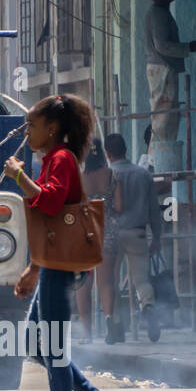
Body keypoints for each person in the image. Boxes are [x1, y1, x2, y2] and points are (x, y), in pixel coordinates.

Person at [4, 94, 120, 391]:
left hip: (58, 270)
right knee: (37, 347)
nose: (27, 132)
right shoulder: (53, 158)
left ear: (51, 129)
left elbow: (50, 203)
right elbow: (50, 224)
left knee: (51, 350)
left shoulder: (61, 158)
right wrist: (32, 268)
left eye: (32, 126)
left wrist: (18, 175)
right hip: (50, 266)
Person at [98, 133, 164, 343]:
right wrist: (157, 237)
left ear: (108, 153)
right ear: (125, 149)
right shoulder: (142, 174)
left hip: (112, 236)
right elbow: (154, 209)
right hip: (137, 233)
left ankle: (115, 325)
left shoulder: (106, 176)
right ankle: (149, 306)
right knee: (141, 280)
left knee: (112, 281)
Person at [145, 0, 196, 144]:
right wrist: (188, 47)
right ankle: (159, 158)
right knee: (163, 118)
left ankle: (164, 156)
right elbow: (161, 45)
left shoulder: (161, 12)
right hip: (163, 68)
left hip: (163, 67)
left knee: (169, 116)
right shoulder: (158, 14)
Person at [75, 138, 112, 344]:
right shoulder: (110, 175)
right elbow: (120, 205)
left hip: (85, 233)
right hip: (107, 231)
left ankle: (87, 334)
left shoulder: (79, 178)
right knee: (106, 282)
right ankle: (109, 326)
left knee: (83, 285)